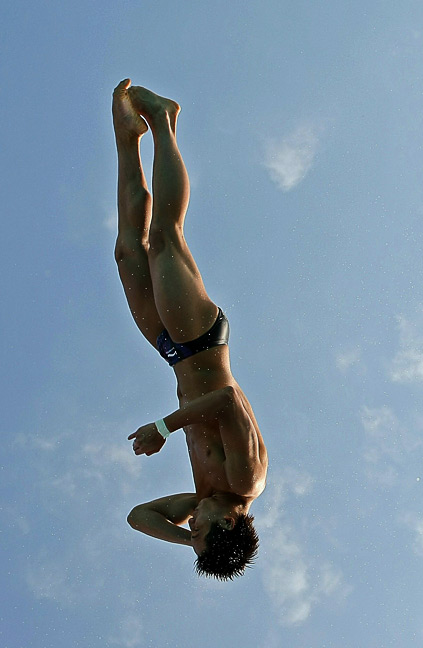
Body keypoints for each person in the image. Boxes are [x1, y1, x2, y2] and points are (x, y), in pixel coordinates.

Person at [112, 79, 268, 580]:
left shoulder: (206, 497)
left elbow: (140, 518)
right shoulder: (246, 480)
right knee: (164, 238)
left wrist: (191, 543)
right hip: (200, 340)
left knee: (127, 251)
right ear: (231, 522)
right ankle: (161, 119)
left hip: (172, 352)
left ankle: (128, 139)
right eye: (201, 529)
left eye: (192, 529)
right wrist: (163, 428)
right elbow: (226, 402)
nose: (192, 521)